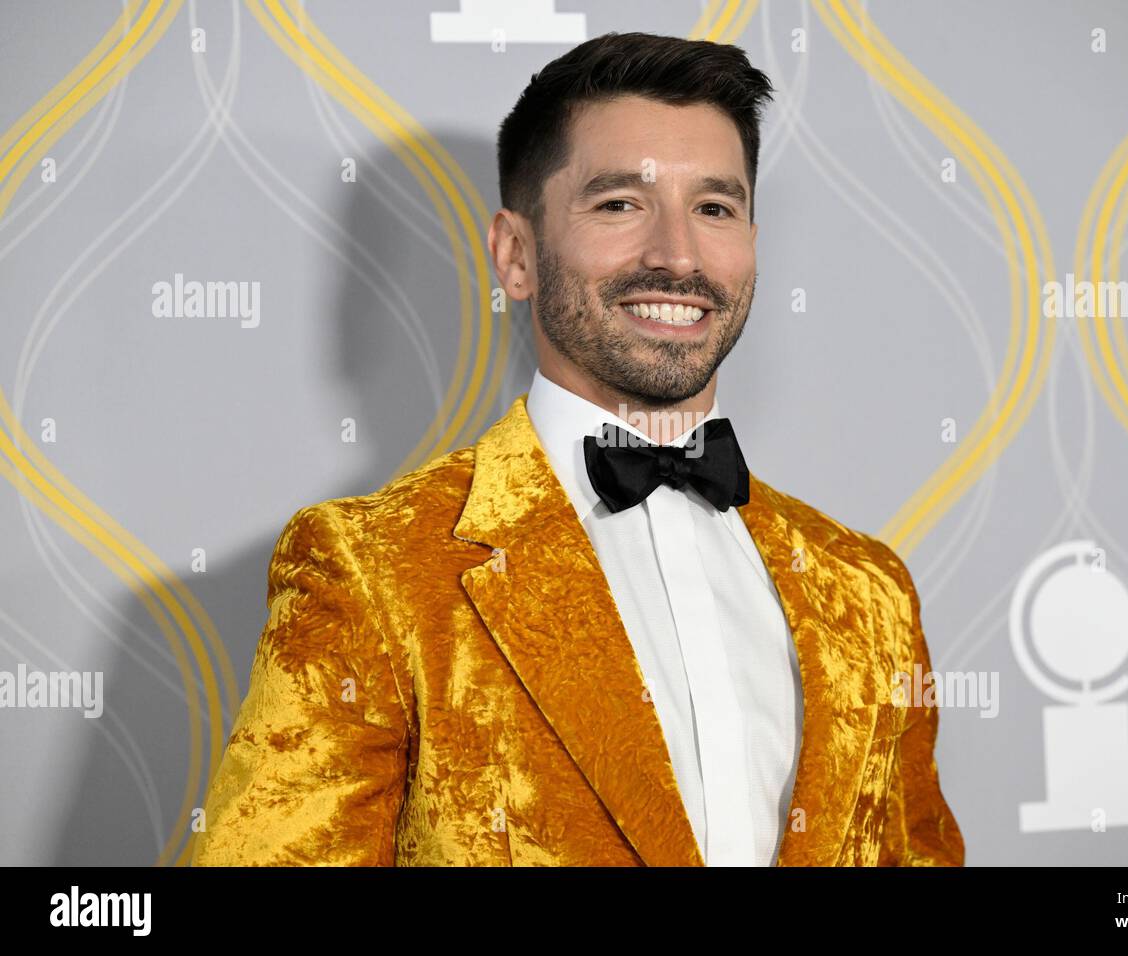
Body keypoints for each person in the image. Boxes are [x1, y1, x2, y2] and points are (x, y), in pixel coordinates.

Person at [191, 31, 964, 867]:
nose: (677, 254)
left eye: (715, 207)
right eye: (619, 204)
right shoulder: (371, 571)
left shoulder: (870, 591)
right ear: (515, 256)